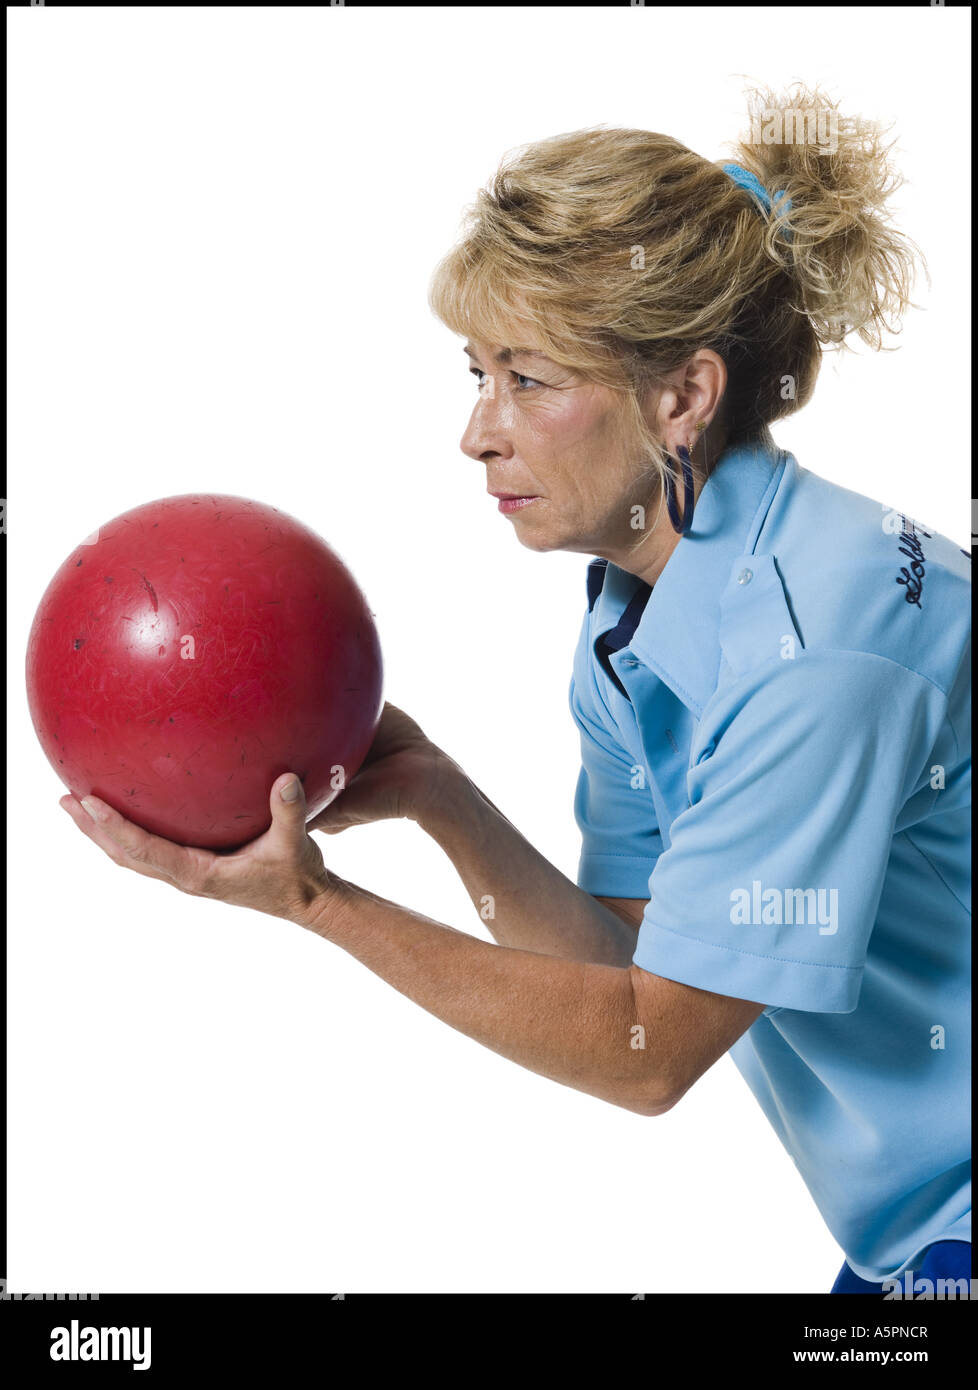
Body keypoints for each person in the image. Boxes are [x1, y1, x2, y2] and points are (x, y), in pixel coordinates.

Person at [62, 83, 970, 1294]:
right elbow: (622, 962)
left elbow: (648, 1050)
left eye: (530, 379)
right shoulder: (648, 603)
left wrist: (320, 904)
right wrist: (437, 793)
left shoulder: (813, 655)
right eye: (477, 372)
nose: (478, 432)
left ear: (683, 398)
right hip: (916, 1227)